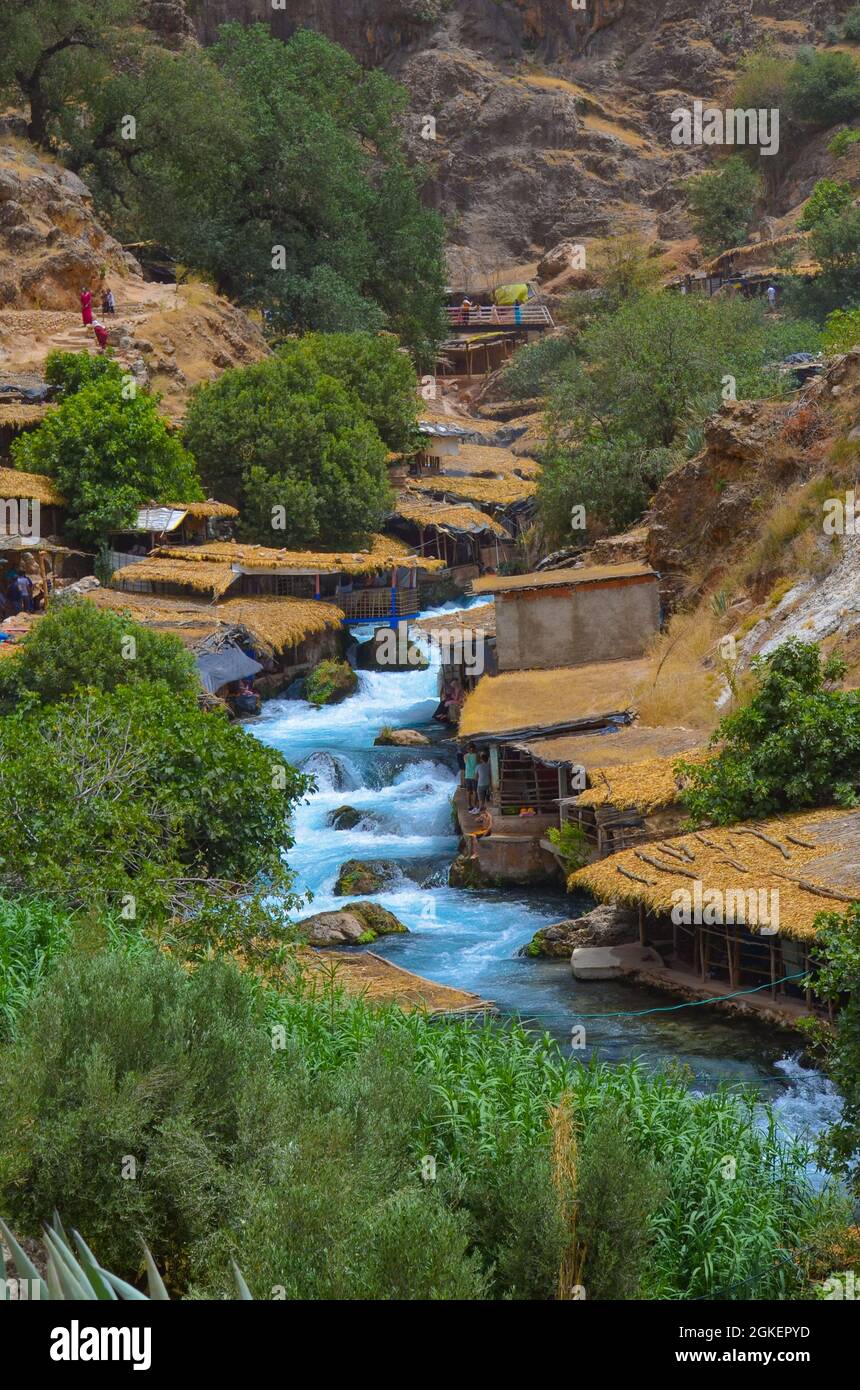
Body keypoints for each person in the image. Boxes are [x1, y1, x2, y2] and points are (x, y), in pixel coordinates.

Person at [464, 742, 478, 811]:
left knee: (468, 791)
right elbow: (479, 764)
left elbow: (466, 763)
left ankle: (469, 806)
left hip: (467, 776)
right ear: (474, 748)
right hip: (475, 776)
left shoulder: (465, 756)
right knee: (475, 791)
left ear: (468, 749)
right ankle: (475, 805)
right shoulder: (477, 756)